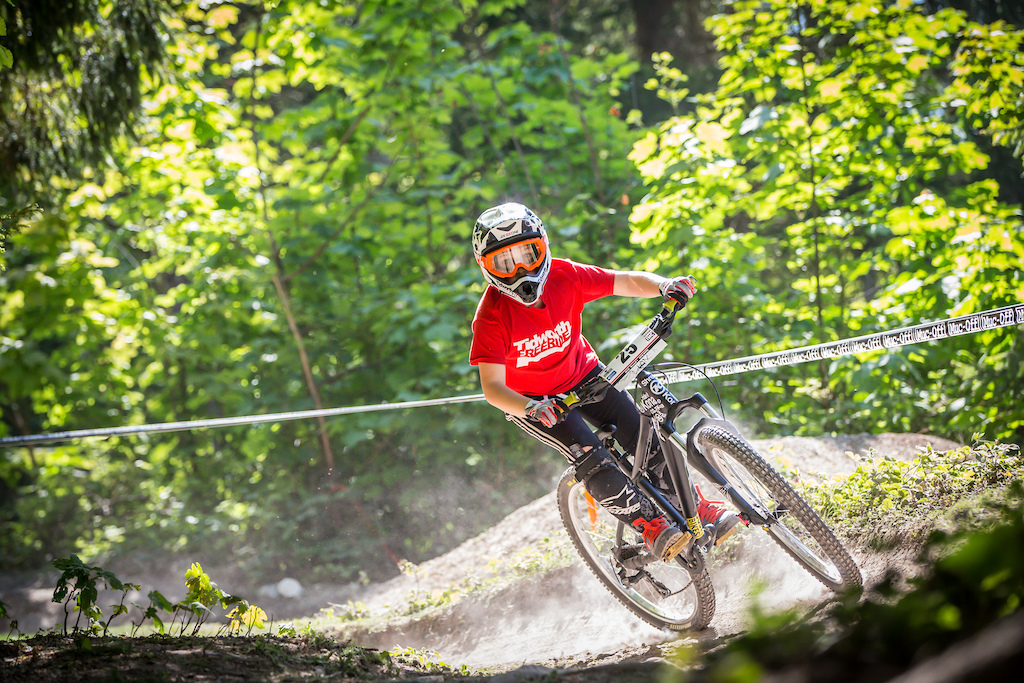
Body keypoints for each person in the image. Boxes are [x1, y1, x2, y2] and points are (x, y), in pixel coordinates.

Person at [469, 202, 739, 562]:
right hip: (537, 402)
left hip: (585, 375)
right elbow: (492, 387)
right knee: (593, 460)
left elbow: (622, 280)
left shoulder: (564, 276)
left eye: (527, 256)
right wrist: (530, 406)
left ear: (544, 248)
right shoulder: (491, 317)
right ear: (485, 267)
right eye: (503, 262)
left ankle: (699, 508)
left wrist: (664, 285)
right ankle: (651, 527)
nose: (518, 270)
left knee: (643, 435)